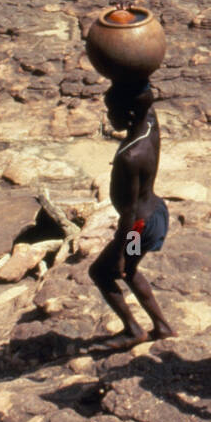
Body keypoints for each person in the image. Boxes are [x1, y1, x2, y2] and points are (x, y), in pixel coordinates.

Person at [88, 80, 175, 348]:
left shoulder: (130, 157)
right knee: (130, 271)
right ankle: (161, 326)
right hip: (156, 212)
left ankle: (133, 330)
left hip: (138, 226)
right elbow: (142, 88)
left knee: (103, 272)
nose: (108, 117)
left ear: (127, 115)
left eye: (111, 112)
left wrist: (122, 251)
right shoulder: (150, 126)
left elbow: (128, 213)